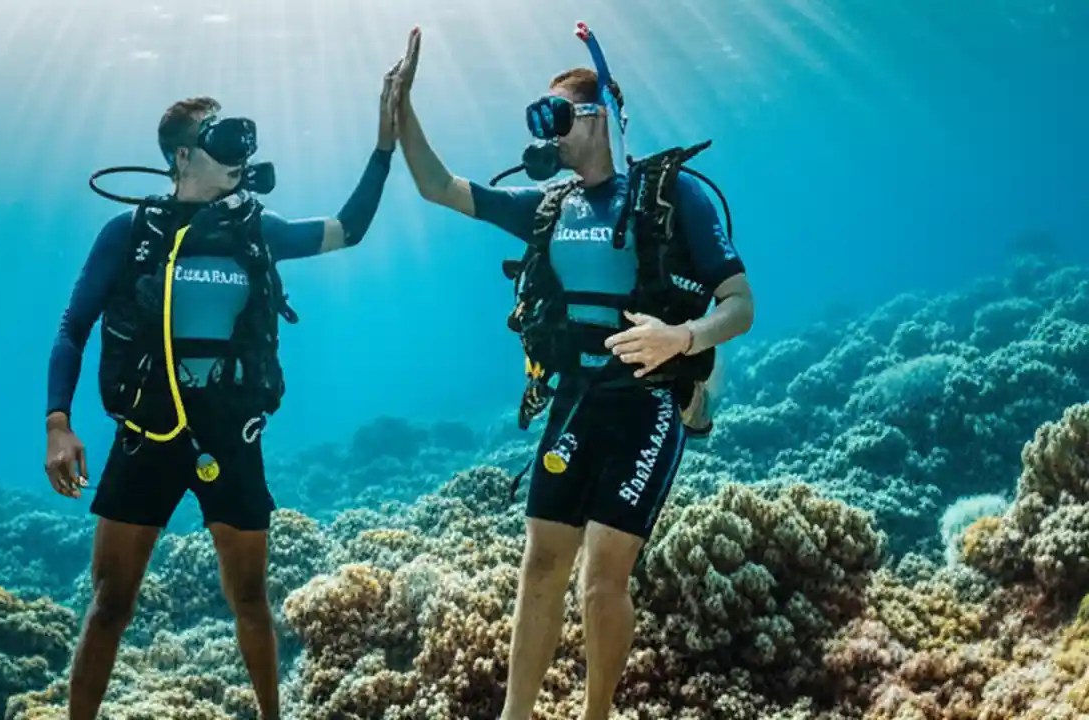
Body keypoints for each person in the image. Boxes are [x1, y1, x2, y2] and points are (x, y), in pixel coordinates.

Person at [388, 25, 754, 720]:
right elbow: (437, 185)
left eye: (555, 116)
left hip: (646, 399)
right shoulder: (547, 209)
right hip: (576, 398)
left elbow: (740, 303)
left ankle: (596, 715)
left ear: (595, 118)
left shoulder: (674, 199)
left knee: (599, 581)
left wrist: (684, 336)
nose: (546, 133)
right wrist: (403, 108)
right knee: (540, 568)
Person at [42, 66, 400, 720]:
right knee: (110, 604)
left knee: (251, 601)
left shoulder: (255, 230)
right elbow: (73, 329)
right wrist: (57, 423)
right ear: (182, 155)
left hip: (230, 439)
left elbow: (350, 228)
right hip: (146, 436)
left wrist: (384, 145)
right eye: (221, 140)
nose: (239, 154)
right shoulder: (130, 235)